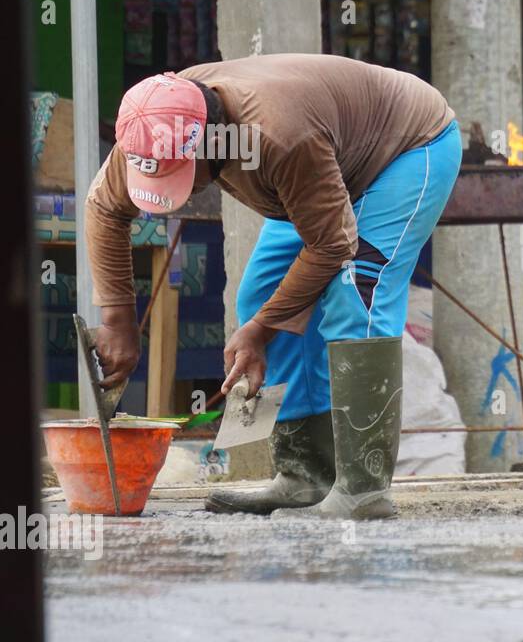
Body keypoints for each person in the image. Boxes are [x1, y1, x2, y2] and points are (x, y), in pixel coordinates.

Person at [85, 54, 461, 519]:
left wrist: (262, 331)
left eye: (177, 173)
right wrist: (118, 321)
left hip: (405, 149)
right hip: (320, 169)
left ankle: (363, 492)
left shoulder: (278, 135)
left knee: (356, 291)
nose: (164, 184)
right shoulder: (153, 124)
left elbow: (331, 244)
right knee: (259, 297)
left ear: (212, 142)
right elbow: (104, 210)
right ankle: (303, 477)